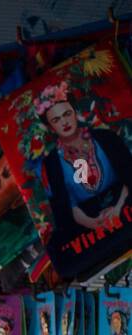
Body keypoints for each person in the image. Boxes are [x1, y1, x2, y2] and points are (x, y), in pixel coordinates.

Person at [37, 85, 132, 251]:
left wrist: (118, 209)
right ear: (51, 127)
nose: (64, 122)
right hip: (87, 226)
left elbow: (129, 173)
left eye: (67, 114)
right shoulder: (52, 162)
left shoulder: (106, 137)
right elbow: (65, 205)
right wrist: (92, 223)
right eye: (56, 120)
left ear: (75, 112)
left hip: (126, 204)